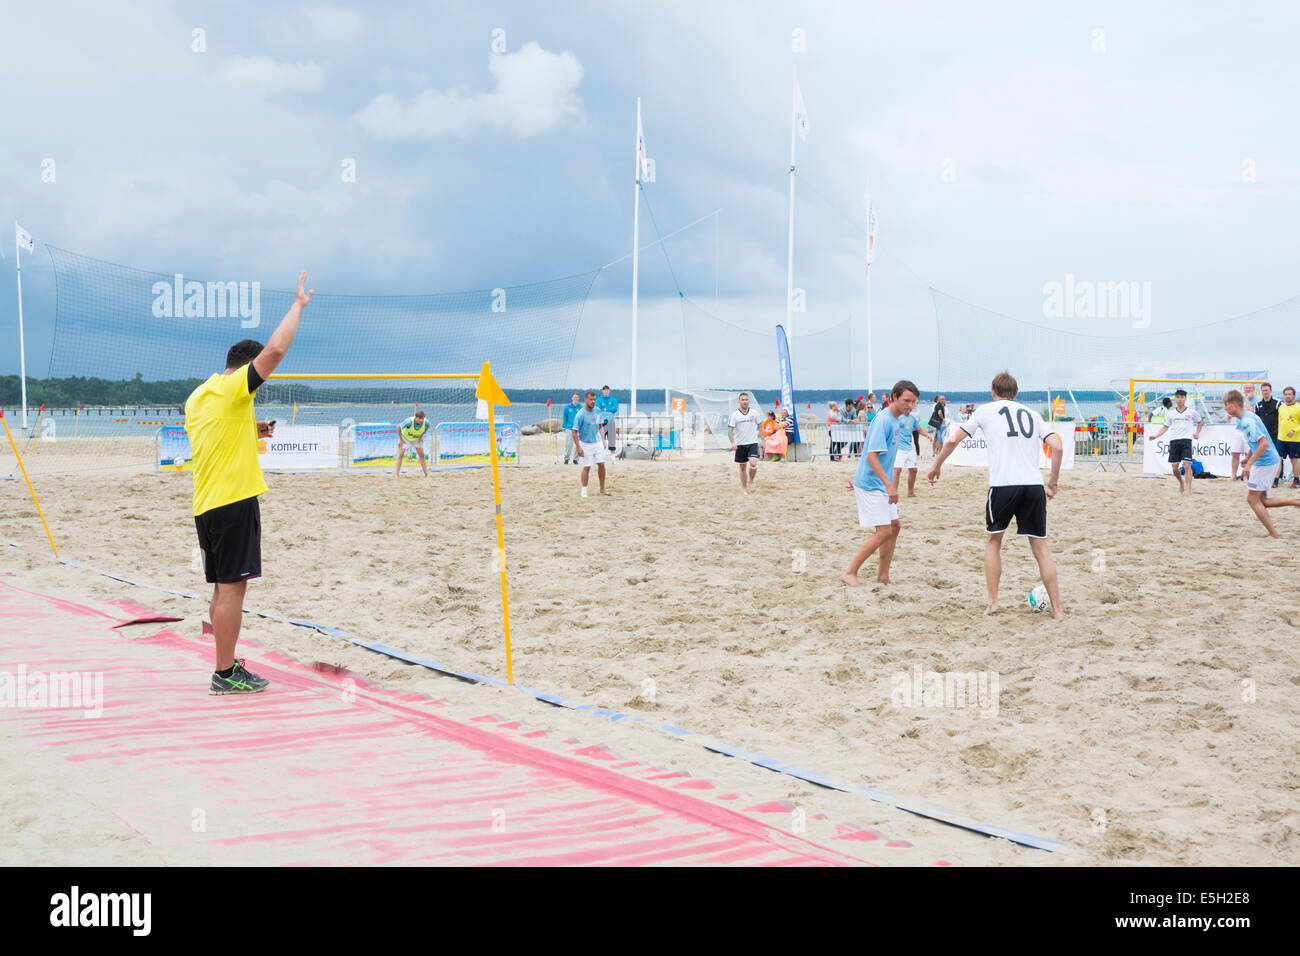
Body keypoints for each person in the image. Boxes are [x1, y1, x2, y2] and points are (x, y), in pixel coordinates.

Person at [186, 269, 313, 694]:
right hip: (233, 502)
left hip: (206, 505)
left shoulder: (200, 395)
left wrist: (253, 431)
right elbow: (276, 349)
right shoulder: (235, 389)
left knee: (223, 589)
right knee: (233, 591)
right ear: (245, 369)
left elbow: (215, 435)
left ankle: (224, 660)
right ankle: (225, 674)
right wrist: (297, 305)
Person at [927, 371, 1064, 619]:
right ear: (1016, 393)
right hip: (1033, 485)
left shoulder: (985, 411)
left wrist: (936, 466)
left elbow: (952, 440)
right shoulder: (1032, 414)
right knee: (1040, 547)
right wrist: (1052, 482)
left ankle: (993, 603)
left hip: (1003, 485)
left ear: (993, 392)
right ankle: (1057, 610)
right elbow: (1058, 446)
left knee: (994, 542)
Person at [841, 380, 918, 586]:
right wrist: (889, 485)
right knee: (884, 530)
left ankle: (883, 577)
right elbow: (871, 457)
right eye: (906, 401)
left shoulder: (896, 420)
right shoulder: (883, 420)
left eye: (913, 402)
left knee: (894, 526)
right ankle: (850, 572)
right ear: (893, 397)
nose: (910, 406)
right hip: (872, 484)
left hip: (877, 483)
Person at [1223, 389, 1300, 537]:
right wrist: (1249, 457)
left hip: (1265, 462)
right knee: (1262, 500)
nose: (1225, 408)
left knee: (1252, 500)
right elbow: (1256, 442)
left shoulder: (1247, 421)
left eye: (1226, 405)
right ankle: (1296, 501)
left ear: (1233, 405)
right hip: (1268, 460)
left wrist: (1250, 463)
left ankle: (1274, 535)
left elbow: (1263, 443)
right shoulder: (1246, 417)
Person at [1147, 389, 1202, 494]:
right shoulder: (1171, 413)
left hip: (1186, 440)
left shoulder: (1191, 412)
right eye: (1178, 397)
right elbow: (1165, 427)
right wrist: (1155, 436)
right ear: (1175, 399)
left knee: (1187, 465)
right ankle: (1181, 483)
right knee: (1174, 469)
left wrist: (1197, 433)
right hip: (1174, 441)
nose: (1180, 399)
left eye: (1182, 397)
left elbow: (1200, 422)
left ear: (1185, 399)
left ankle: (1188, 489)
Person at [572, 390, 609, 498]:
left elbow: (600, 426)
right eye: (591, 400)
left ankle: (602, 489)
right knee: (587, 467)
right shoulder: (580, 414)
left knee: (601, 464)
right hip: (585, 443)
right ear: (585, 400)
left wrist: (603, 439)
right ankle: (584, 490)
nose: (593, 401)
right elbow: (574, 432)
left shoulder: (597, 410)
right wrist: (578, 447)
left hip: (597, 442)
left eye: (594, 400)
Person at [891, 406, 930, 498]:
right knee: (897, 470)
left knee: (913, 470)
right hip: (899, 447)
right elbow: (892, 429)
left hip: (908, 447)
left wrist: (927, 435)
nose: (909, 408)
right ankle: (894, 492)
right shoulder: (898, 417)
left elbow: (919, 429)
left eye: (911, 407)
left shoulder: (912, 418)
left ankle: (910, 492)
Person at [728, 391, 762, 493]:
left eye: (746, 399)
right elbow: (730, 430)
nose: (745, 401)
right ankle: (744, 488)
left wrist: (763, 439)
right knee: (742, 467)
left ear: (749, 401)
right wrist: (732, 442)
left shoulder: (754, 413)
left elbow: (760, 426)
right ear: (739, 401)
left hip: (752, 442)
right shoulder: (734, 415)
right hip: (740, 444)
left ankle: (751, 481)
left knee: (753, 463)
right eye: (742, 400)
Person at [1228, 384, 1258, 481]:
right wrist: (1231, 415)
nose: (1248, 390)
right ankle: (1233, 475)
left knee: (1247, 455)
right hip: (1238, 429)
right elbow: (1236, 411)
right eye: (1246, 388)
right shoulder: (1240, 400)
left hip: (1249, 429)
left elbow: (1250, 411)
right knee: (1235, 453)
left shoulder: (1257, 400)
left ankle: (1245, 476)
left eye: (1250, 388)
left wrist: (1248, 399)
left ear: (1254, 389)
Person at [1255, 382, 1281, 487]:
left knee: (1277, 457)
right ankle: (1265, 478)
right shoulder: (1258, 405)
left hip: (1276, 434)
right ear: (1261, 391)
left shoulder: (1278, 403)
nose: (1265, 392)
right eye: (1263, 390)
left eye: (1267, 390)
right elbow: (1256, 421)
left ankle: (1275, 479)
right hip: (1263, 436)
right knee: (1264, 457)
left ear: (1270, 391)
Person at [394, 409, 431, 477]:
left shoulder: (426, 422)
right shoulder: (409, 421)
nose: (421, 420)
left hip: (416, 438)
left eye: (422, 418)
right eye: (420, 418)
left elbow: (427, 427)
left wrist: (421, 437)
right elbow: (398, 427)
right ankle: (396, 474)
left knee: (422, 454)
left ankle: (426, 474)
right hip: (405, 438)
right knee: (401, 454)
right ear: (416, 418)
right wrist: (401, 439)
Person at [1277, 386, 1300, 489]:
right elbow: (1280, 423)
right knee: (1278, 459)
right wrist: (1279, 434)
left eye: (1290, 394)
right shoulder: (1281, 407)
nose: (1288, 396)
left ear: (1293, 396)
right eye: (1286, 394)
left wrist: (1294, 430)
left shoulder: (1298, 407)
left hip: (1294, 439)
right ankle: (1275, 479)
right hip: (1281, 439)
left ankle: (1296, 480)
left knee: (1293, 460)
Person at [596, 385, 619, 455]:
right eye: (605, 390)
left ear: (609, 391)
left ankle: (613, 458)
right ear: (603, 391)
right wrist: (609, 412)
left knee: (612, 441)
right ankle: (601, 457)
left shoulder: (613, 399)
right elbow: (598, 409)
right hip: (601, 423)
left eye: (607, 390)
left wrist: (606, 410)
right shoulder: (599, 400)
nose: (606, 392)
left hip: (610, 422)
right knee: (601, 441)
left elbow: (615, 409)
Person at [561, 392, 582, 464]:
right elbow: (564, 417)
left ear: (578, 399)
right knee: (569, 444)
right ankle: (566, 458)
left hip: (578, 429)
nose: (575, 399)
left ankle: (575, 459)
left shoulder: (581, 408)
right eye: (574, 397)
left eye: (577, 397)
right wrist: (566, 426)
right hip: (570, 429)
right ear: (572, 398)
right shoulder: (567, 407)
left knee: (578, 445)